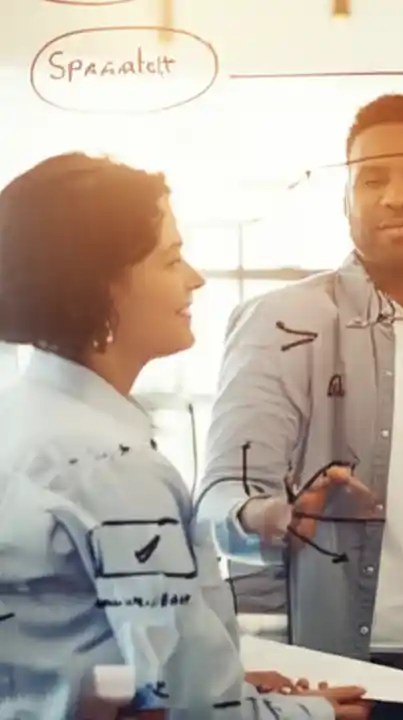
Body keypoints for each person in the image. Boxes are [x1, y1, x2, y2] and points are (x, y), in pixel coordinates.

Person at [193, 94, 403, 718]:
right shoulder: (283, 322)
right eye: (372, 179)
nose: (395, 196)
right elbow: (215, 502)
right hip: (333, 692)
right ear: (346, 199)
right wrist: (273, 515)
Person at [0, 153, 369, 718]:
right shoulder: (111, 464)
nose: (194, 278)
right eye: (171, 259)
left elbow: (71, 645)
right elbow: (191, 705)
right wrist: (309, 714)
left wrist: (228, 679)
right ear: (100, 287)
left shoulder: (28, 418)